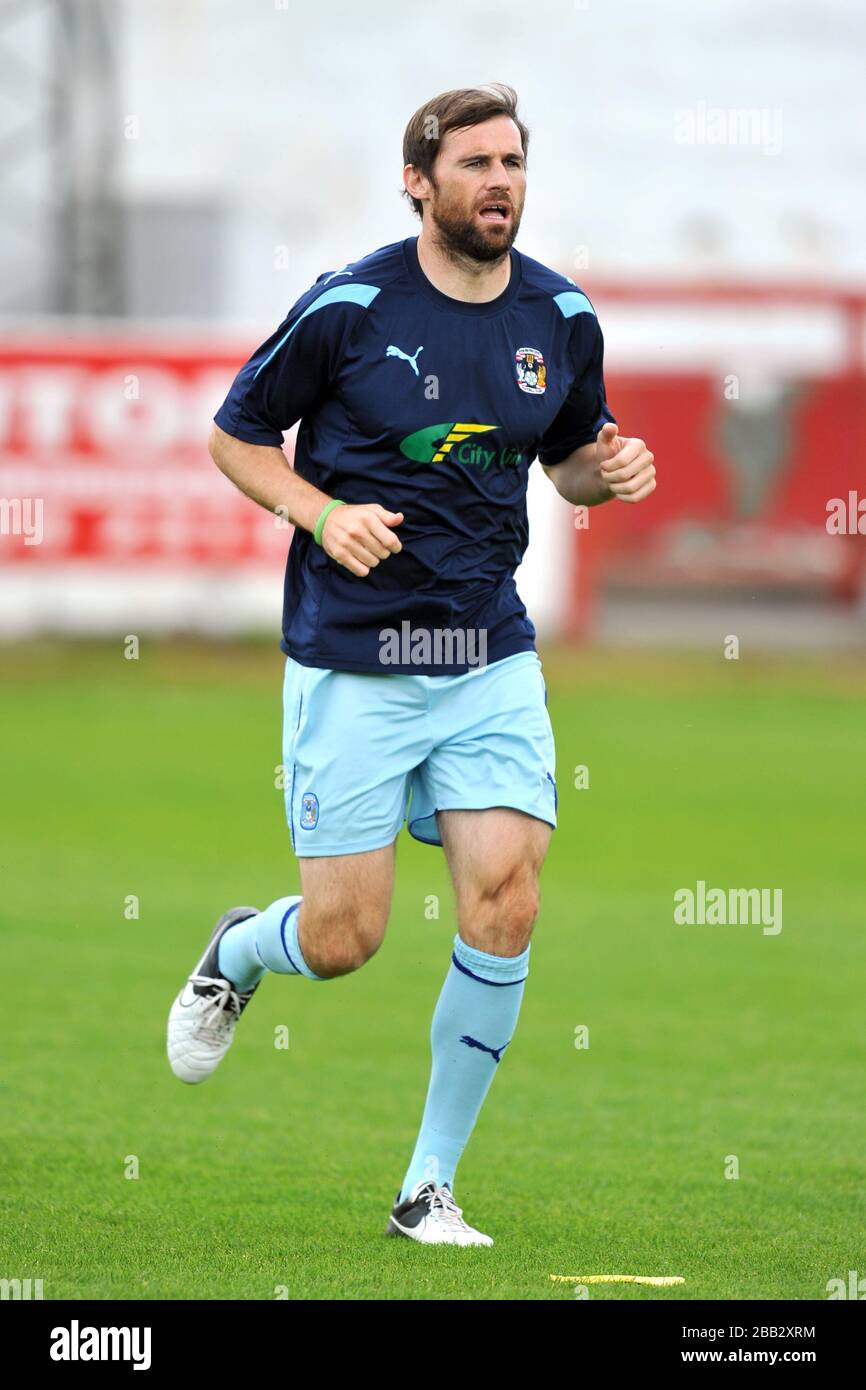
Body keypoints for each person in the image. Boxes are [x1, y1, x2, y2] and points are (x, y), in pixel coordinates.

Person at [167, 83, 656, 1246]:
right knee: (345, 941)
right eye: (477, 163)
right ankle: (241, 948)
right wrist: (321, 514)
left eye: (515, 164)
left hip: (485, 652)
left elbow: (569, 463)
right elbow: (235, 436)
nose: (501, 183)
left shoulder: (562, 318)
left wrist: (607, 472)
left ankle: (425, 1186)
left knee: (508, 897)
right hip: (354, 658)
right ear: (417, 180)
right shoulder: (348, 306)